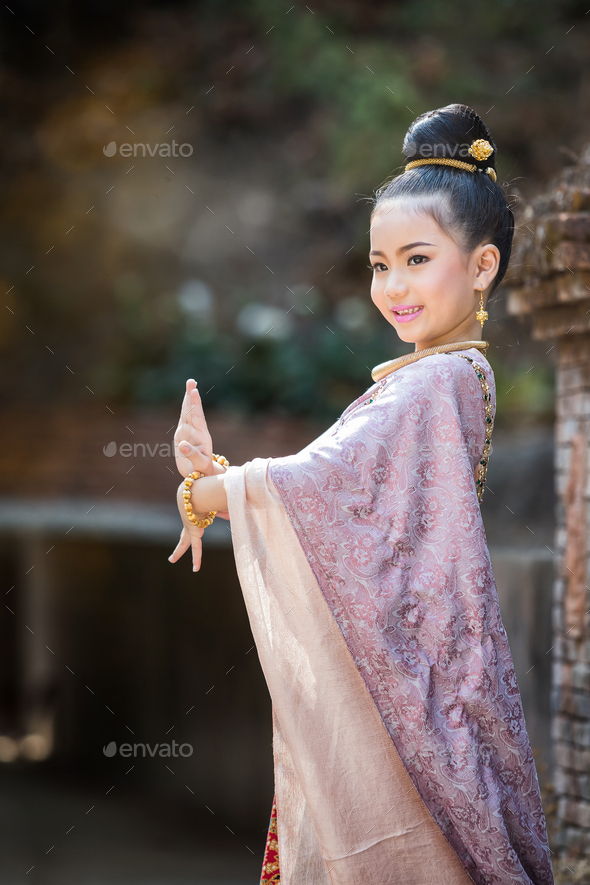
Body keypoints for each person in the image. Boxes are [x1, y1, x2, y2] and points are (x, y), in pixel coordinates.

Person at [168, 103, 555, 885]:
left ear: (482, 267)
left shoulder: (437, 381)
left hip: (414, 682)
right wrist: (227, 486)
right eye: (380, 265)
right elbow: (347, 492)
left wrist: (211, 491)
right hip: (428, 661)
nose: (393, 286)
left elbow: (321, 484)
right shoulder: (438, 378)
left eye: (417, 258)